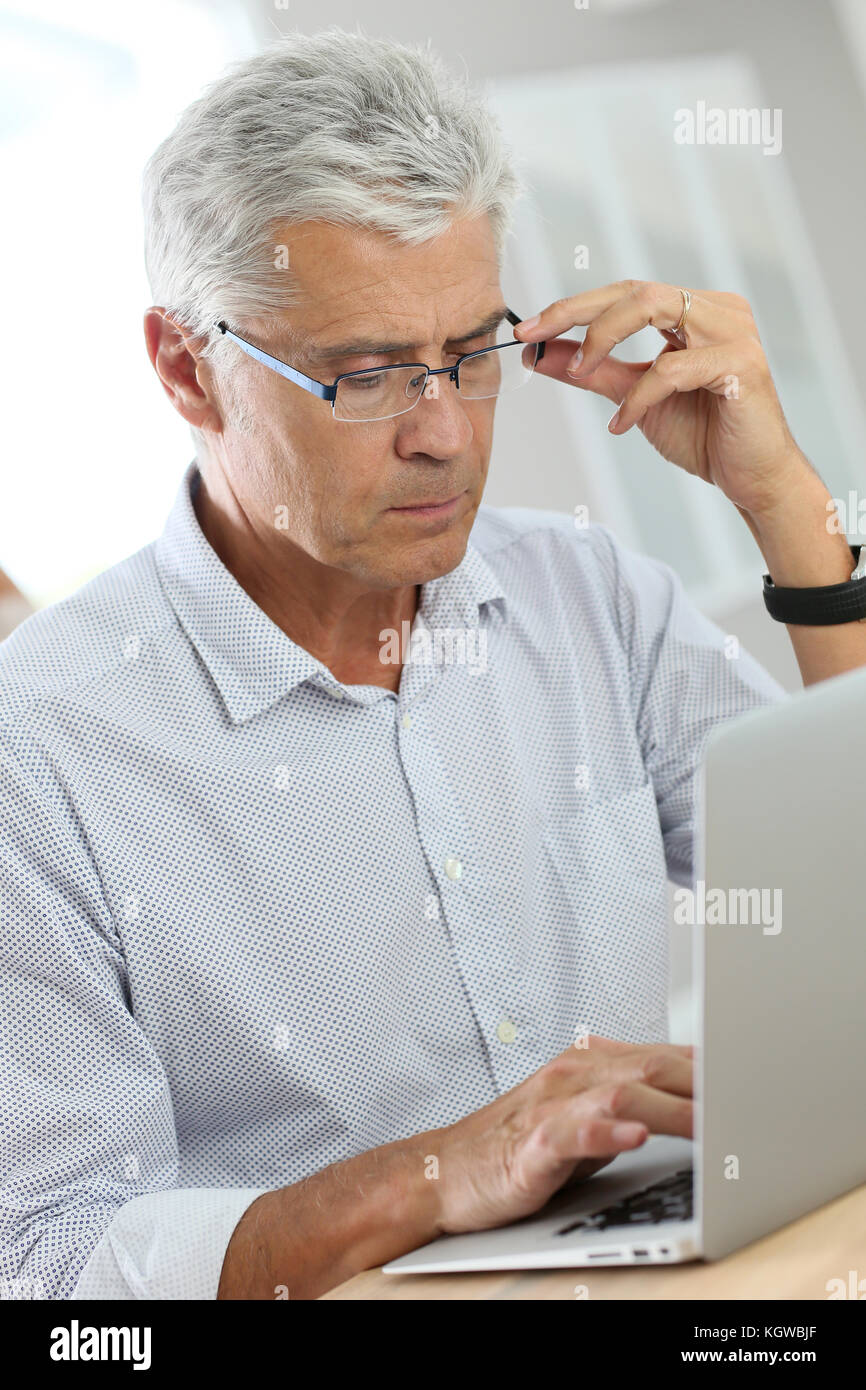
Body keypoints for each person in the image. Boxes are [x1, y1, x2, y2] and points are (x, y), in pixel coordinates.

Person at [2, 27, 864, 1303]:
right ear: (188, 368)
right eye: (364, 377)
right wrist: (430, 1176)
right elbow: (49, 1267)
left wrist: (787, 506)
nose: (446, 434)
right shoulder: (47, 750)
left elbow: (842, 904)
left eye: (472, 352)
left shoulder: (590, 601)